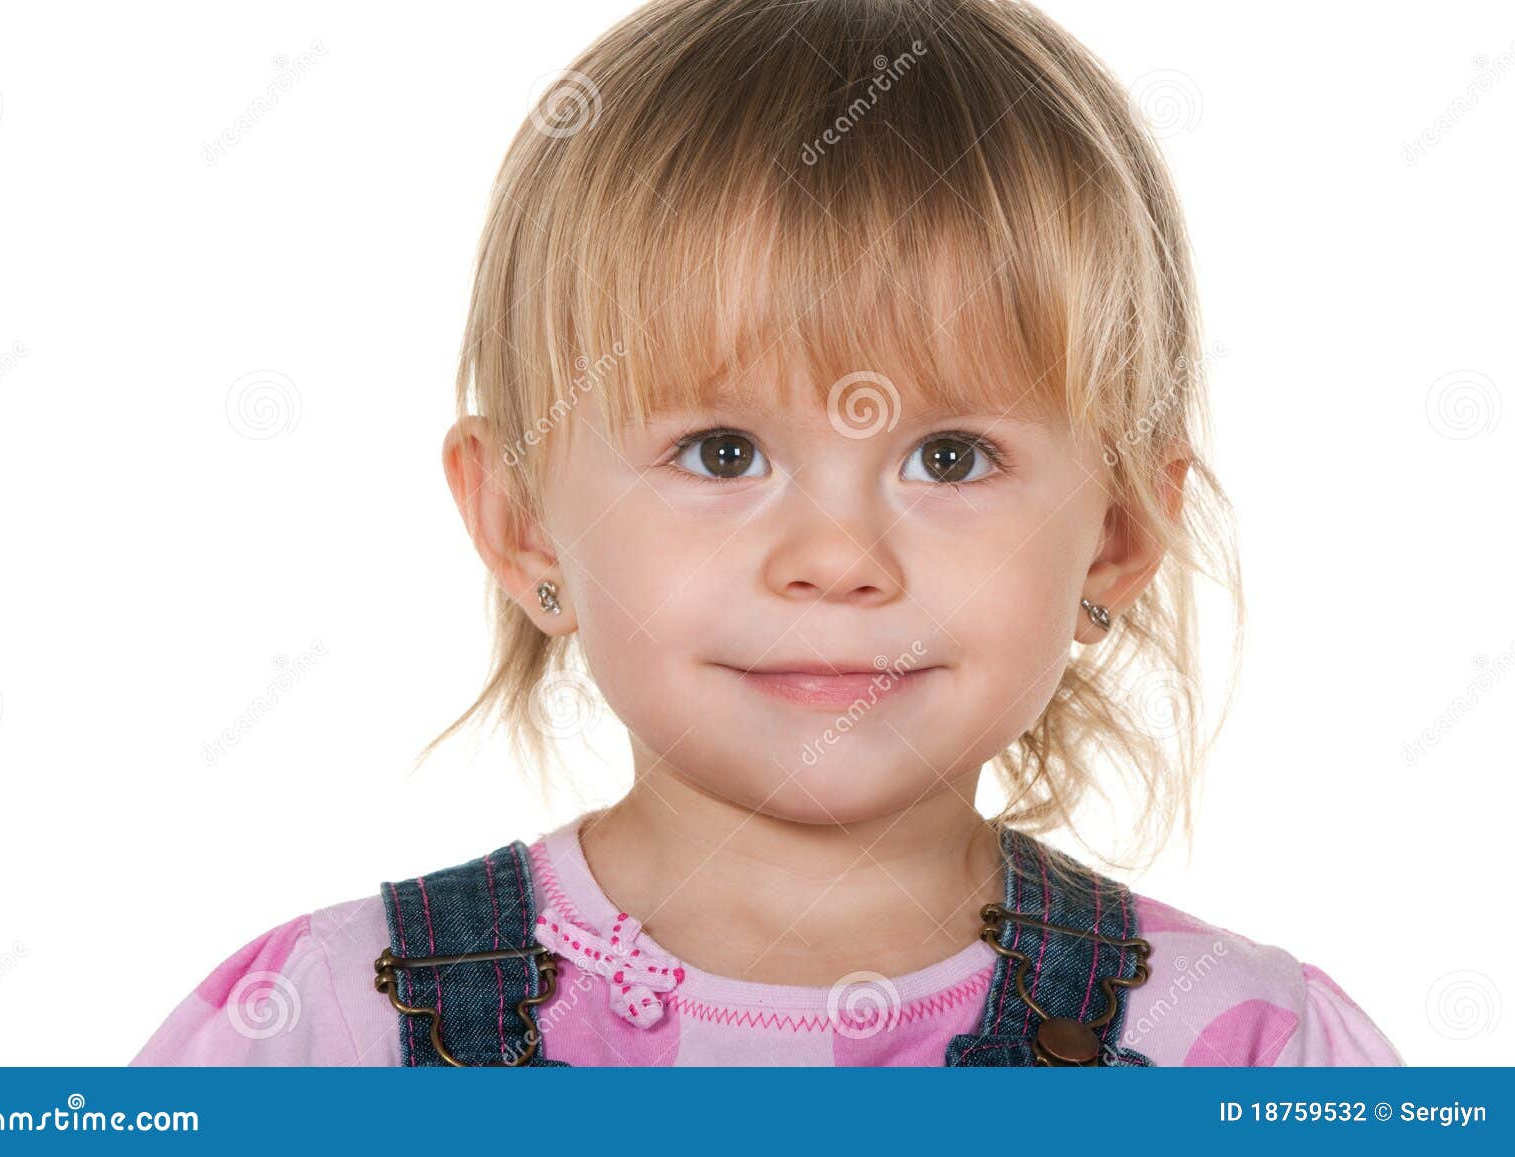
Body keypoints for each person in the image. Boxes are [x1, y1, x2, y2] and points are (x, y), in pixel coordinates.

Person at [134, 0, 1402, 1067]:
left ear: (1117, 535)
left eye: (948, 457)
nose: (837, 557)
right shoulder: (316, 1032)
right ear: (524, 525)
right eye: (722, 453)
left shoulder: (1247, 1052)